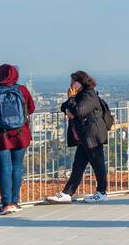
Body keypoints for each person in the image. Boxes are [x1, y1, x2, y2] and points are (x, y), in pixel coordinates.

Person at [45, 70, 111, 204]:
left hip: (92, 136)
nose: (70, 85)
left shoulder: (89, 94)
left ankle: (102, 192)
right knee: (78, 166)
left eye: (72, 82)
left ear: (80, 82)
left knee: (97, 164)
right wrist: (71, 105)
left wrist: (71, 102)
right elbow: (64, 107)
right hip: (84, 137)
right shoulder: (80, 95)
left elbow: (79, 112)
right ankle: (67, 193)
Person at [0, 63, 36, 214]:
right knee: (17, 167)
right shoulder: (22, 90)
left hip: (0, 135)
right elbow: (31, 108)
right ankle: (15, 201)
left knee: (4, 169)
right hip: (20, 134)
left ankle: (6, 204)